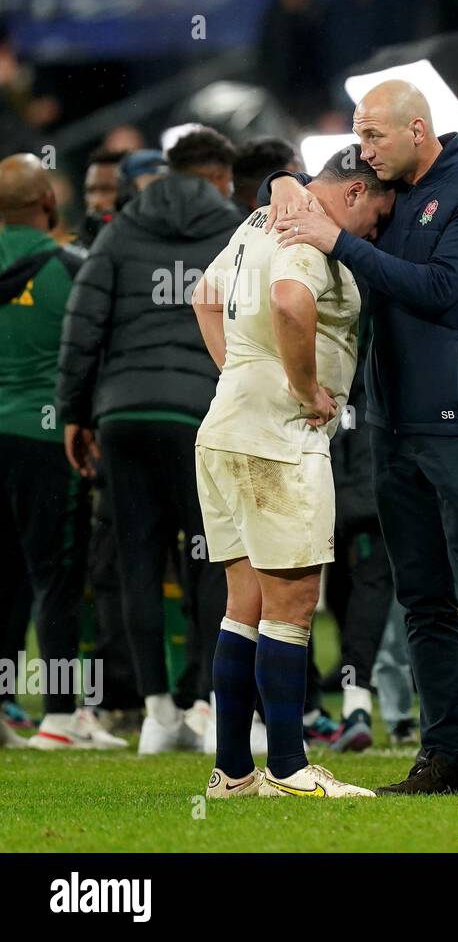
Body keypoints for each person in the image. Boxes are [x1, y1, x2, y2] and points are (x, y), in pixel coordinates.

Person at [268, 79, 458, 795]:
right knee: (422, 598)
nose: (364, 149)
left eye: (374, 135)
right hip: (393, 420)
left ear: (417, 130)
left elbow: (437, 287)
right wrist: (281, 181)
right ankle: (442, 753)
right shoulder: (385, 178)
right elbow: (312, 179)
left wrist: (340, 242)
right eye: (360, 135)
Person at [191, 146, 393, 799]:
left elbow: (203, 296)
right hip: (279, 438)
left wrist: (241, 370)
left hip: (226, 425)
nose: (373, 233)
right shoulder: (310, 227)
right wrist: (304, 387)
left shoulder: (257, 221)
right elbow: (288, 300)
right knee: (293, 604)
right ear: (354, 192)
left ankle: (232, 772)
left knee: (244, 605)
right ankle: (287, 769)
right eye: (377, 215)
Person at [58, 127, 245, 753]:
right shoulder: (235, 231)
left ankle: (157, 715)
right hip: (202, 413)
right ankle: (208, 704)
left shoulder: (122, 228)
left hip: (125, 414)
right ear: (218, 177)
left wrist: (75, 413)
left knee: (137, 559)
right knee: (214, 560)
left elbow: (83, 326)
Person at [0, 153, 125, 750]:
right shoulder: (73, 267)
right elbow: (95, 353)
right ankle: (59, 715)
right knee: (56, 578)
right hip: (47, 442)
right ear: (48, 201)